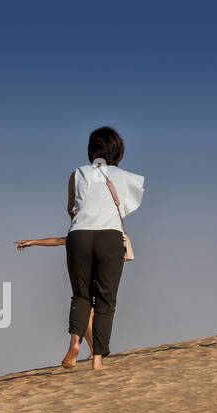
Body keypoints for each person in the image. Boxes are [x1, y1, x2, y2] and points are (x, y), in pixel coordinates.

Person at [62, 127, 144, 370]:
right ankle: (97, 359)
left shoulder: (77, 174)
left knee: (81, 295)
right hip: (109, 236)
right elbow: (126, 208)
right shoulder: (128, 177)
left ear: (91, 150)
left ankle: (74, 343)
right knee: (106, 299)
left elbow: (70, 209)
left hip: (79, 235)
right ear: (118, 151)